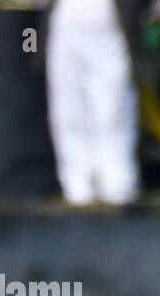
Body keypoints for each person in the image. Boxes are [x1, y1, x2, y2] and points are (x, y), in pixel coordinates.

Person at [46, 0, 142, 205]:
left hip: (110, 29)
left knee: (113, 112)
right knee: (68, 113)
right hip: (65, 29)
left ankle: (118, 187)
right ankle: (77, 187)